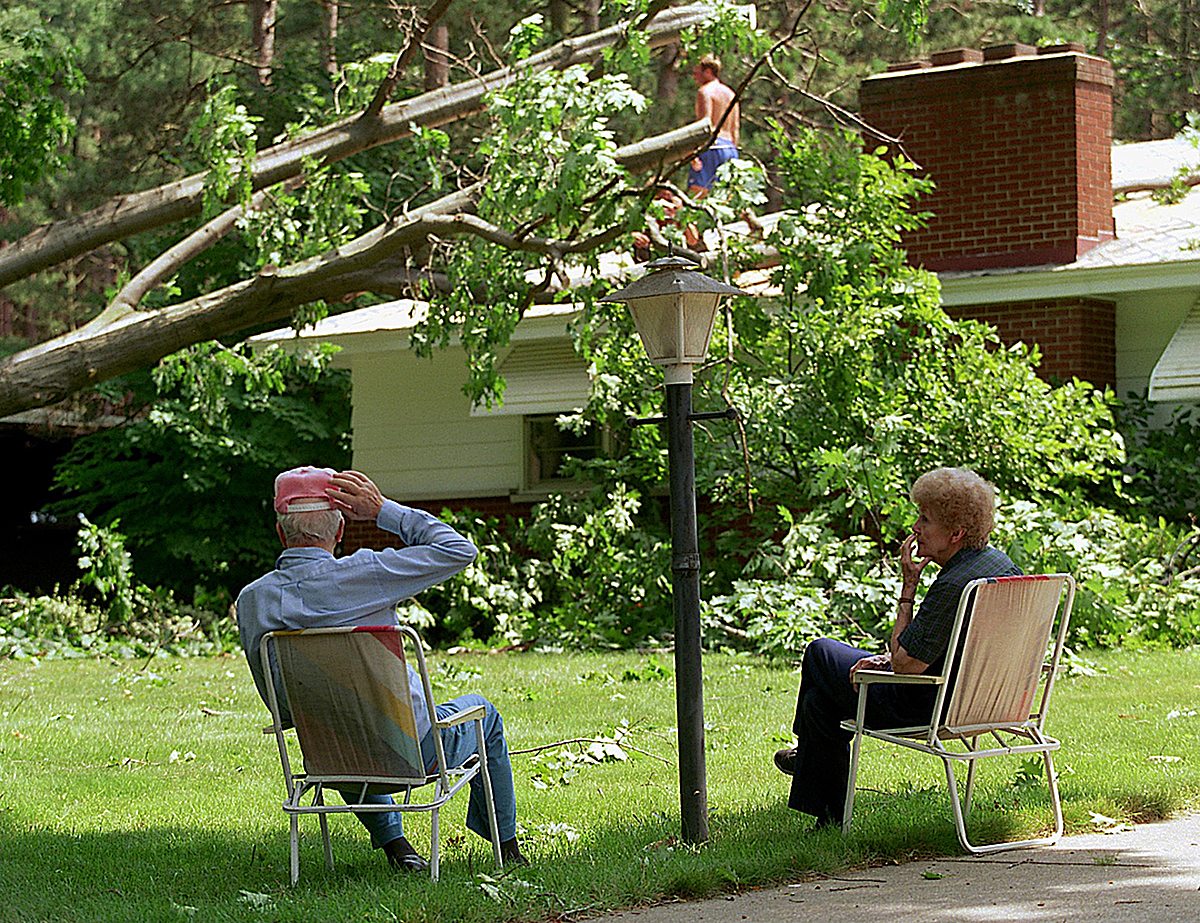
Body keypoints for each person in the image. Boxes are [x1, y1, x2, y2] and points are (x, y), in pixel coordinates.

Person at [237, 466, 527, 872]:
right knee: (485, 714)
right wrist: (382, 511)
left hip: (328, 759)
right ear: (339, 531)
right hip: (416, 753)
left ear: (281, 532)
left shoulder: (253, 601)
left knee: (339, 724)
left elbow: (277, 698)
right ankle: (507, 847)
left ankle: (399, 849)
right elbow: (459, 550)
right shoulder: (368, 573)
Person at [774, 467, 1021, 828]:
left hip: (927, 705)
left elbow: (907, 666)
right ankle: (827, 818)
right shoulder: (999, 565)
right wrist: (888, 661)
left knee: (819, 652)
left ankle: (806, 753)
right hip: (986, 699)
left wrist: (909, 587)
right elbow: (953, 649)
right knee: (820, 703)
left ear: (955, 533)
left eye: (925, 519)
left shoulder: (955, 584)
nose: (915, 527)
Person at [688, 53, 740, 198]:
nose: (694, 77)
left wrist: (694, 154)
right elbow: (735, 128)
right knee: (724, 197)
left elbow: (704, 125)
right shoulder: (731, 94)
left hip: (711, 146)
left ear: (708, 72)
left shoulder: (705, 91)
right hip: (729, 148)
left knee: (698, 195)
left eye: (697, 72)